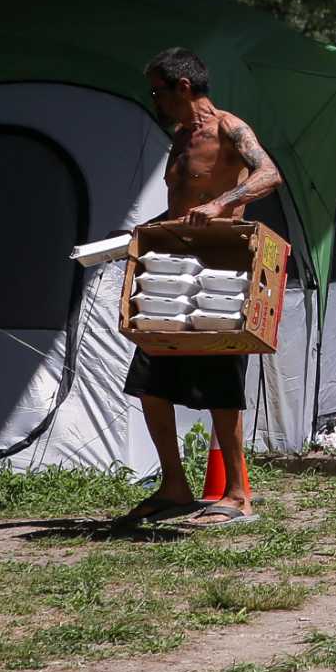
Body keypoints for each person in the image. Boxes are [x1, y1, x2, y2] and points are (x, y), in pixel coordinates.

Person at [118, 47, 281, 528]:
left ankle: (236, 493)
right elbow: (183, 201)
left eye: (158, 91)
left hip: (221, 269)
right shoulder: (180, 138)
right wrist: (147, 231)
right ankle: (174, 486)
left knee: (219, 384)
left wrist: (220, 206)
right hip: (174, 268)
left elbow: (270, 175)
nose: (155, 101)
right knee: (150, 376)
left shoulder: (230, 128)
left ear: (183, 87)